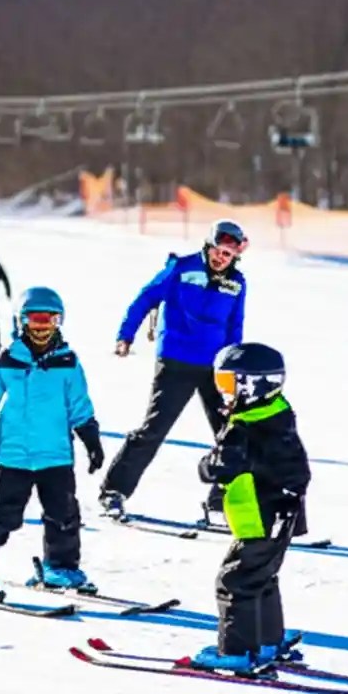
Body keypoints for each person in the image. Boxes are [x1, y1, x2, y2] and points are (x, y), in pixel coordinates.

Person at [0, 287, 105, 596]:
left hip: (56, 456)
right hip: (16, 456)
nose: (42, 327)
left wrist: (92, 441)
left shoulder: (68, 362)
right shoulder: (5, 361)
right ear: (21, 322)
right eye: (35, 320)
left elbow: (79, 405)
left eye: (49, 320)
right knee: (5, 514)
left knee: (64, 513)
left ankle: (60, 568)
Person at [99, 219, 249, 519]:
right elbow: (146, 298)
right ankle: (113, 491)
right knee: (154, 428)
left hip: (216, 368)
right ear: (208, 247)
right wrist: (125, 335)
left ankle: (220, 501)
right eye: (218, 251)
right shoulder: (181, 268)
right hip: (177, 359)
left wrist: (234, 364)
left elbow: (235, 325)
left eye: (228, 255)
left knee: (233, 432)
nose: (221, 259)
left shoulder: (237, 284)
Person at [191, 342, 310, 673]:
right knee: (263, 577)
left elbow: (219, 467)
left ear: (253, 385)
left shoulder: (244, 427)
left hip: (259, 518)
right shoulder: (277, 413)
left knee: (235, 581)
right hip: (280, 516)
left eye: (228, 384)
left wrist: (206, 465)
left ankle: (236, 651)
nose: (223, 393)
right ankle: (269, 641)